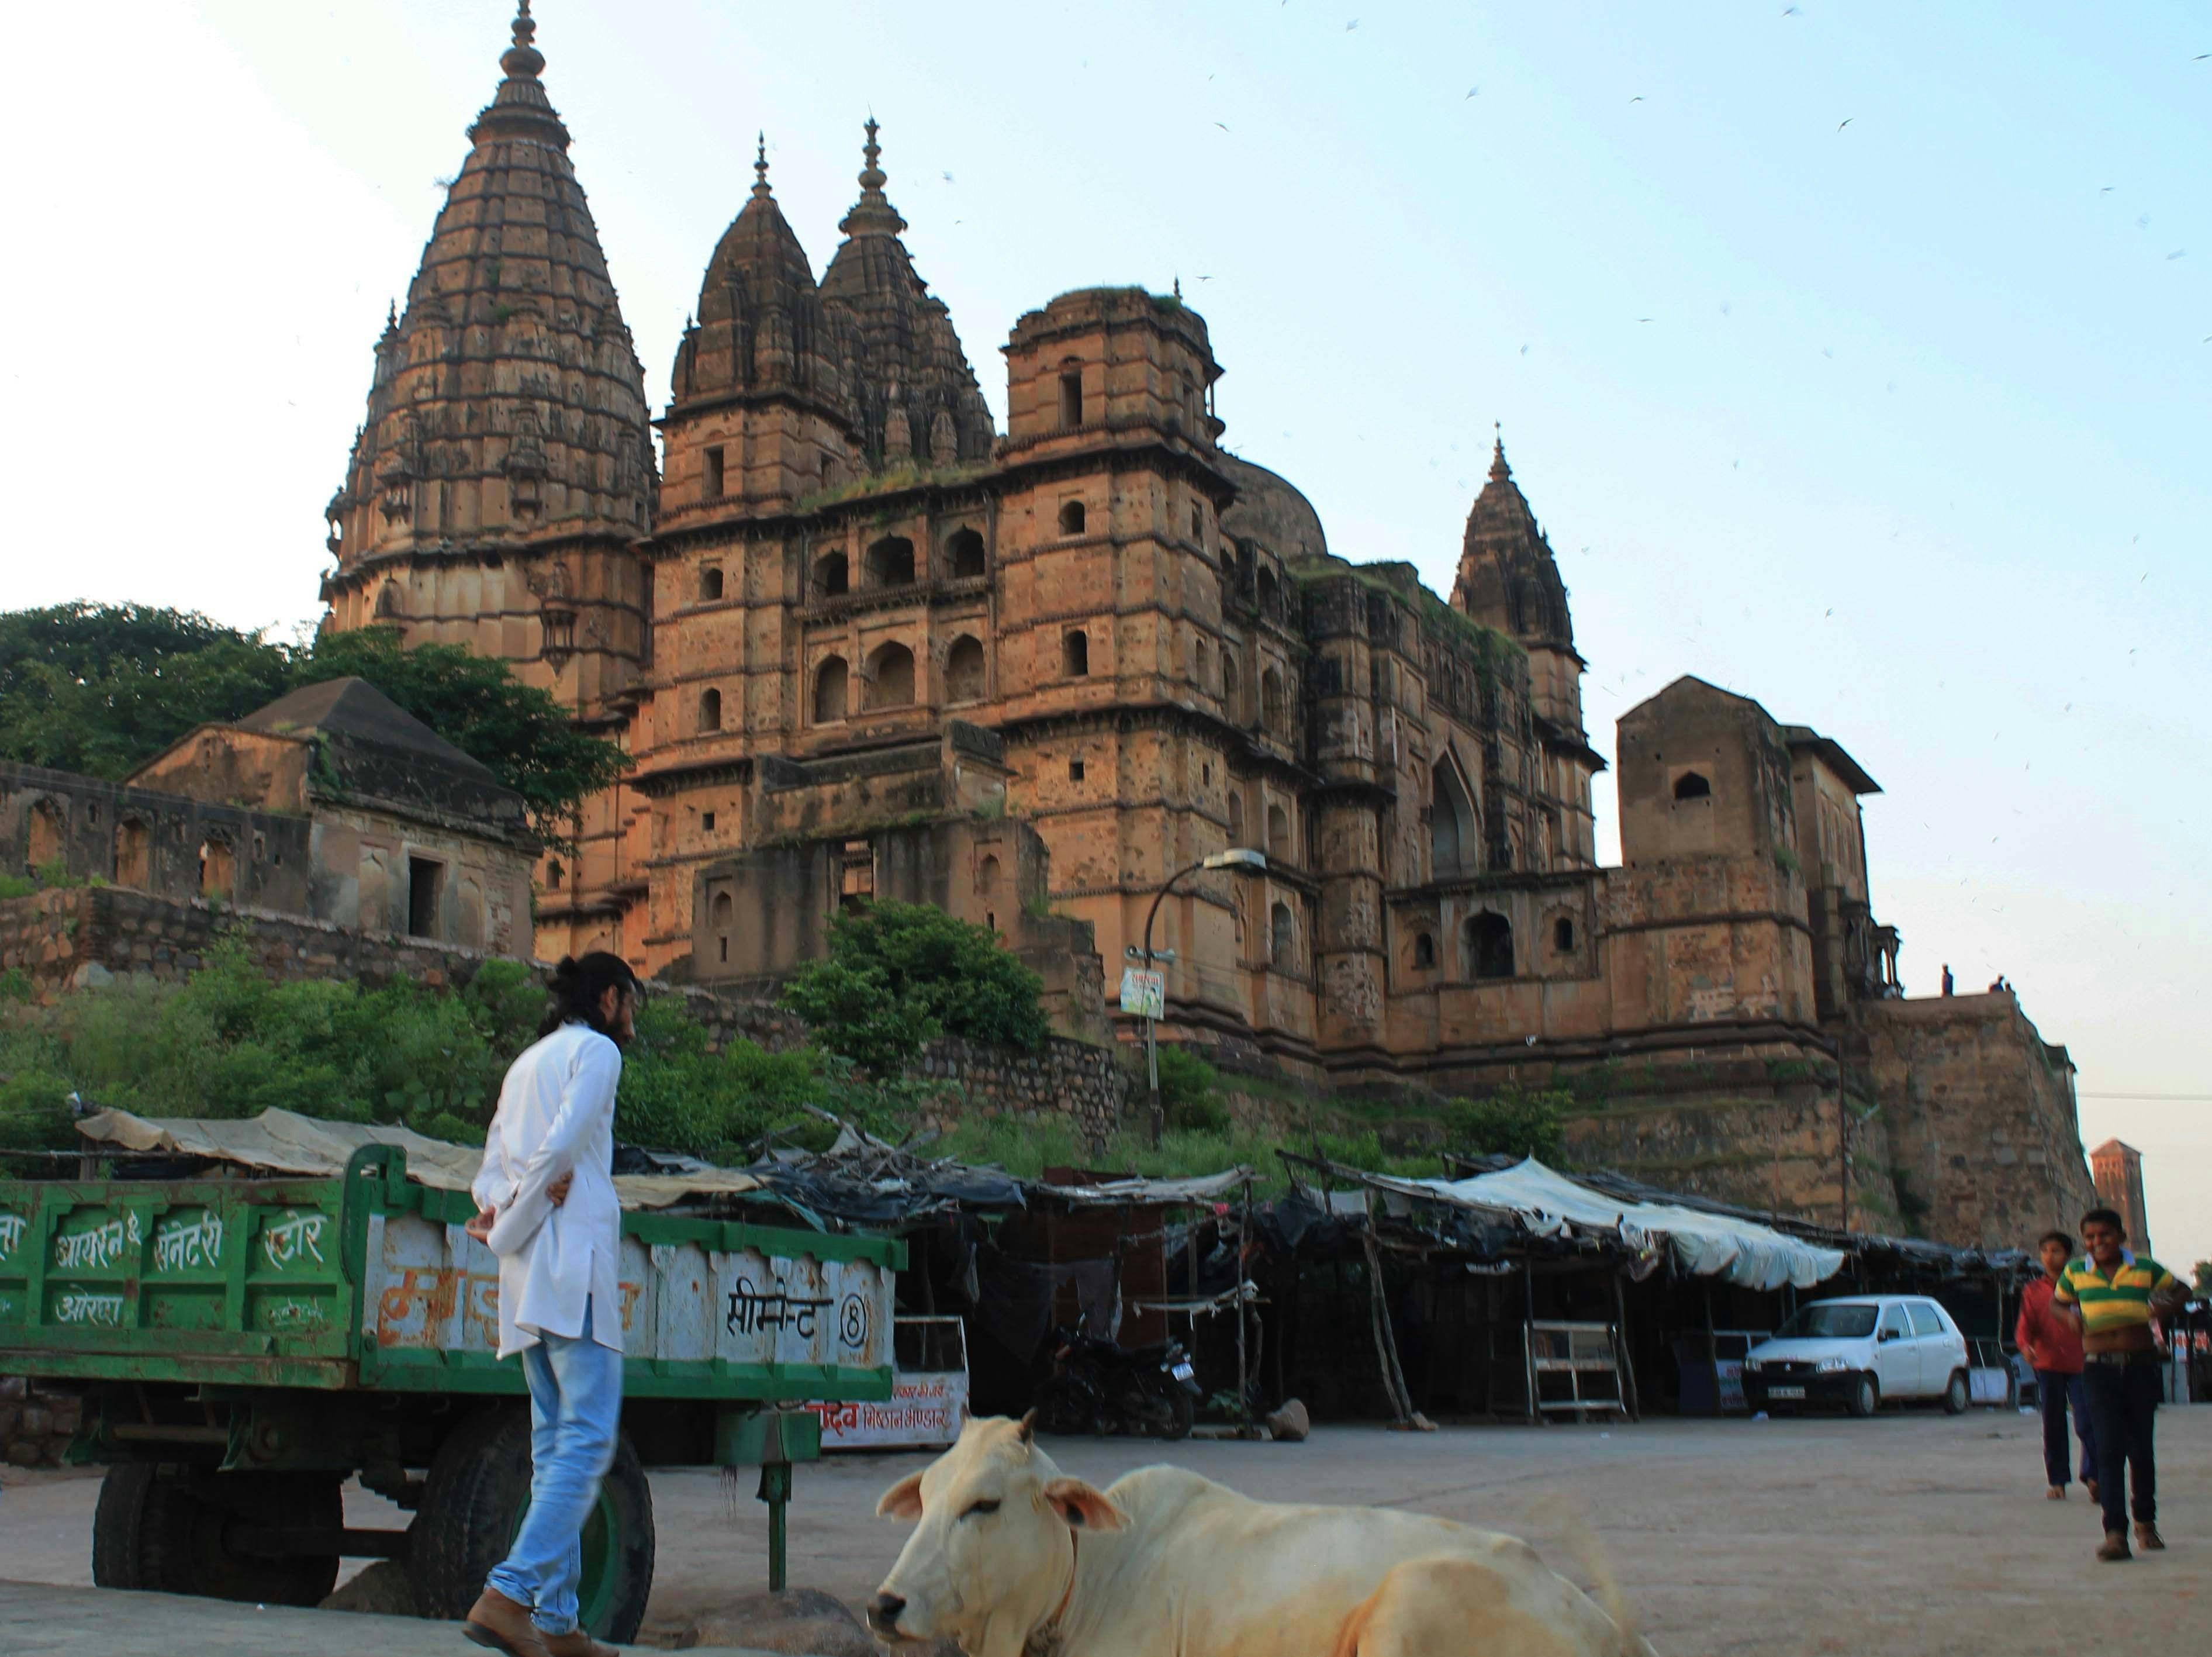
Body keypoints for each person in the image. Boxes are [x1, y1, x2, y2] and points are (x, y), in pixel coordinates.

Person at [462, 952, 638, 1657]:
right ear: (608, 997)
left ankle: (559, 1622)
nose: (631, 1020)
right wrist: (518, 1215)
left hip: (525, 1281)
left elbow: (491, 1170)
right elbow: (561, 1148)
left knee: (552, 1448)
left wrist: (504, 1216)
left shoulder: (526, 1062)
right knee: (589, 1441)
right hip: (571, 1272)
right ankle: (507, 1595)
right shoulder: (595, 1052)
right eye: (630, 1004)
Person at [2051, 1206, 2189, 1562]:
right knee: (2109, 1449)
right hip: (2098, 1369)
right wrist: (2068, 1316)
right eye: (2091, 1238)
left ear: (2121, 1237)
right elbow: (2057, 1303)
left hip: (2140, 1366)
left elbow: (2183, 1290)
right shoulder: (2076, 1271)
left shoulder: (2143, 1268)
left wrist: (2164, 1308)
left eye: (2105, 1235)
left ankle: (2146, 1523)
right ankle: (2115, 1534)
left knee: (2141, 1449)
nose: (2098, 1242)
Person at [2016, 1228, 2096, 1501]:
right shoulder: (2033, 1290)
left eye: (2056, 1251)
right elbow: (2025, 1325)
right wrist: (2026, 1346)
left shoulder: (2082, 1287)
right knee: (2053, 1424)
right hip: (2047, 1363)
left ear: (2068, 1256)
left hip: (2081, 1362)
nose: (2050, 1257)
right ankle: (2058, 1480)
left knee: (2088, 1421)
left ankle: (2093, 1474)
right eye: (2046, 1251)